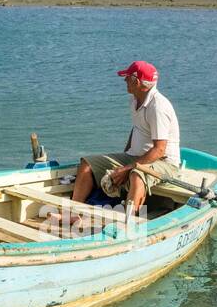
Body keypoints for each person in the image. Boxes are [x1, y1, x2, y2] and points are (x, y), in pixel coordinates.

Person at [47, 61, 182, 231]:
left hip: (164, 162)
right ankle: (73, 214)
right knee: (87, 164)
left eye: (127, 78)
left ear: (137, 81)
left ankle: (127, 225)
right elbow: (137, 129)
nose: (124, 81)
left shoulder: (158, 107)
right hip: (137, 156)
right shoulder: (135, 101)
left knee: (136, 175)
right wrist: (124, 157)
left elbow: (159, 150)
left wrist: (126, 168)